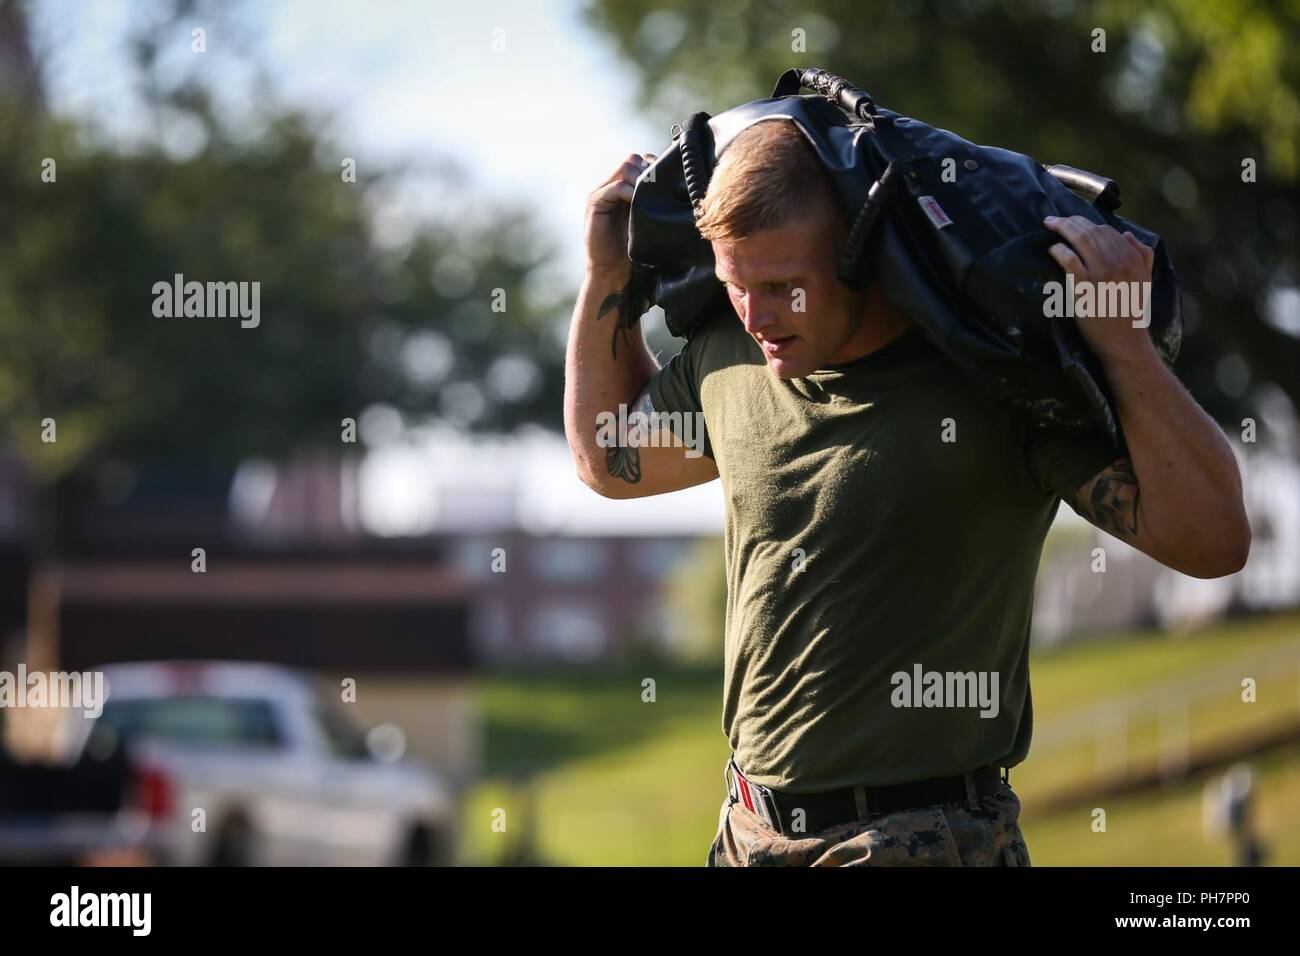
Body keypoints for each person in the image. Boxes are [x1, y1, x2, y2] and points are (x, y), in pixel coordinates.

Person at [563, 120, 1250, 866]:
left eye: (783, 287)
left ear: (859, 252)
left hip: (919, 838)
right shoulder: (727, 359)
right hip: (747, 831)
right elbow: (606, 458)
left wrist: (1124, 345)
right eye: (736, 285)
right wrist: (606, 277)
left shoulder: (994, 374)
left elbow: (1213, 540)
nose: (759, 317)